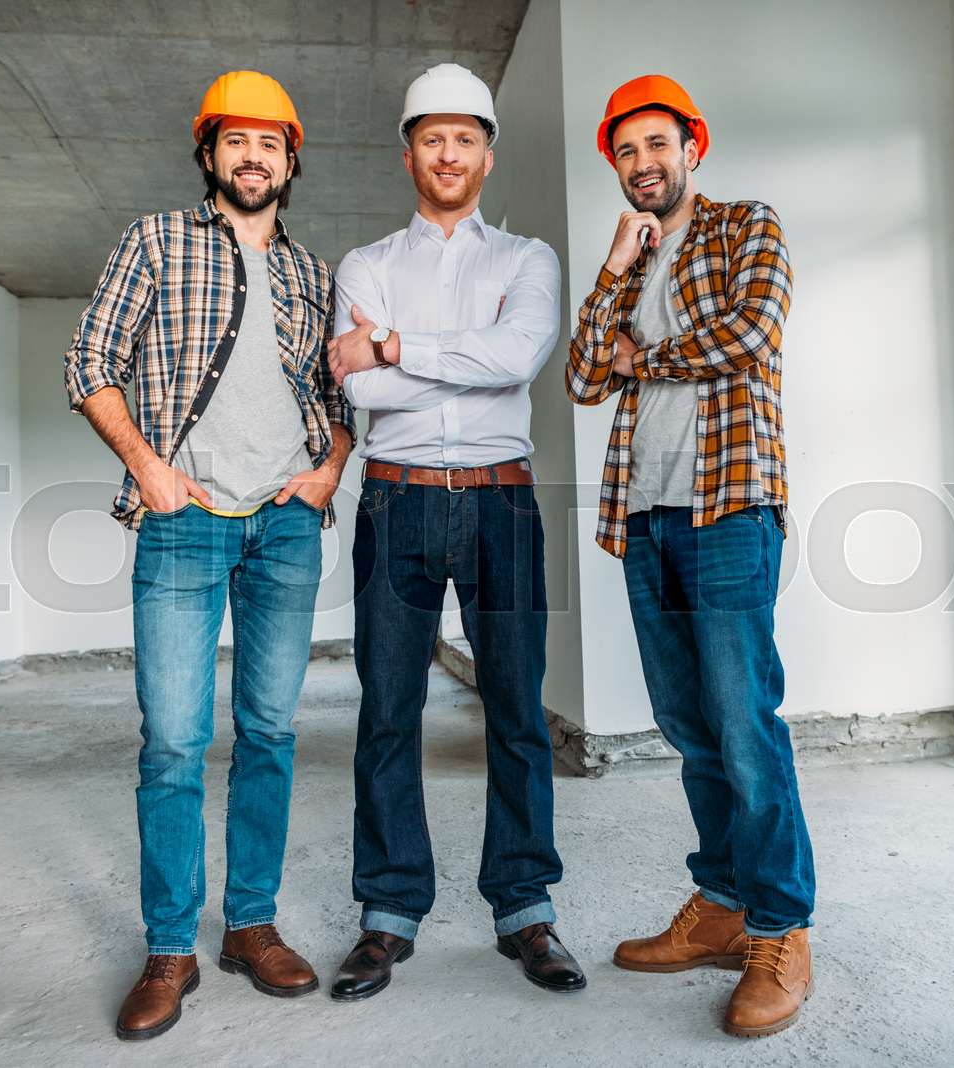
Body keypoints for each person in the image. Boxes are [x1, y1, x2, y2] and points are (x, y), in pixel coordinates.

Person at [63, 70, 353, 1040]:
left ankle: (252, 924)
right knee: (175, 743)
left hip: (283, 524)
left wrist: (329, 470)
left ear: (291, 158)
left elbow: (340, 400)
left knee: (269, 734)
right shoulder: (154, 241)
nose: (253, 156)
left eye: (270, 142)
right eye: (236, 140)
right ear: (209, 152)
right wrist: (147, 464)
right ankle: (171, 947)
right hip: (183, 519)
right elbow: (88, 361)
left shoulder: (314, 275)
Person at [322, 62, 583, 1001]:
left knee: (517, 708)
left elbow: (517, 358)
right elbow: (359, 389)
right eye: (431, 137)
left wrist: (393, 345)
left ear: (486, 151)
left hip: (500, 499)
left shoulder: (527, 260)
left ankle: (525, 912)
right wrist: (450, 368)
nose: (448, 152)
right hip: (395, 500)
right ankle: (388, 916)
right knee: (388, 710)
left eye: (464, 137)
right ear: (409, 153)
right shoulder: (366, 265)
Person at [564, 74, 816, 1038]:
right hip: (649, 517)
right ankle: (721, 906)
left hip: (729, 505)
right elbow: (589, 375)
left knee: (746, 722)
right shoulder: (633, 257)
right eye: (626, 153)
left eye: (656, 146)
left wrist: (646, 357)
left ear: (691, 148)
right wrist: (617, 270)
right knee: (687, 721)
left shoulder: (747, 224)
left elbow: (751, 331)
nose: (642, 165)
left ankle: (783, 927)